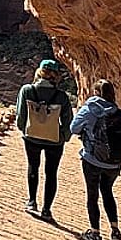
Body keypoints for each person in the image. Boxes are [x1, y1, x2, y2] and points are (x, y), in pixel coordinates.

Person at [70, 79, 121, 240]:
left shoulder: (89, 109)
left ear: (95, 92)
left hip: (92, 159)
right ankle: (115, 230)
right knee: (107, 191)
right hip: (114, 163)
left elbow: (73, 128)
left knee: (92, 195)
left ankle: (95, 233)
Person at [15, 58, 73, 221]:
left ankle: (32, 202)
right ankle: (46, 210)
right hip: (54, 141)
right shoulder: (62, 96)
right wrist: (62, 137)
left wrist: (24, 130)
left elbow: (20, 116)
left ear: (39, 72)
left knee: (33, 167)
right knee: (51, 173)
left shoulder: (27, 90)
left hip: (32, 137)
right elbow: (68, 122)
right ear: (55, 75)